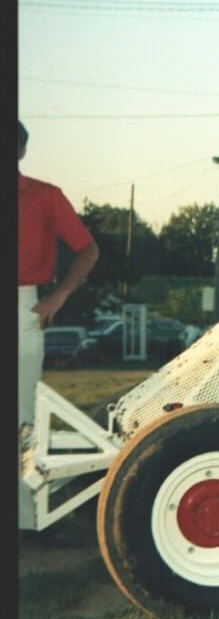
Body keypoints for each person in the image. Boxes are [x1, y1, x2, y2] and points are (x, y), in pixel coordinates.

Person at [18, 120, 100, 439]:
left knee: (21, 421)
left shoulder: (45, 196)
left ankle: (21, 490)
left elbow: (88, 250)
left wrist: (59, 296)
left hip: (23, 308)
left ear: (21, 150)